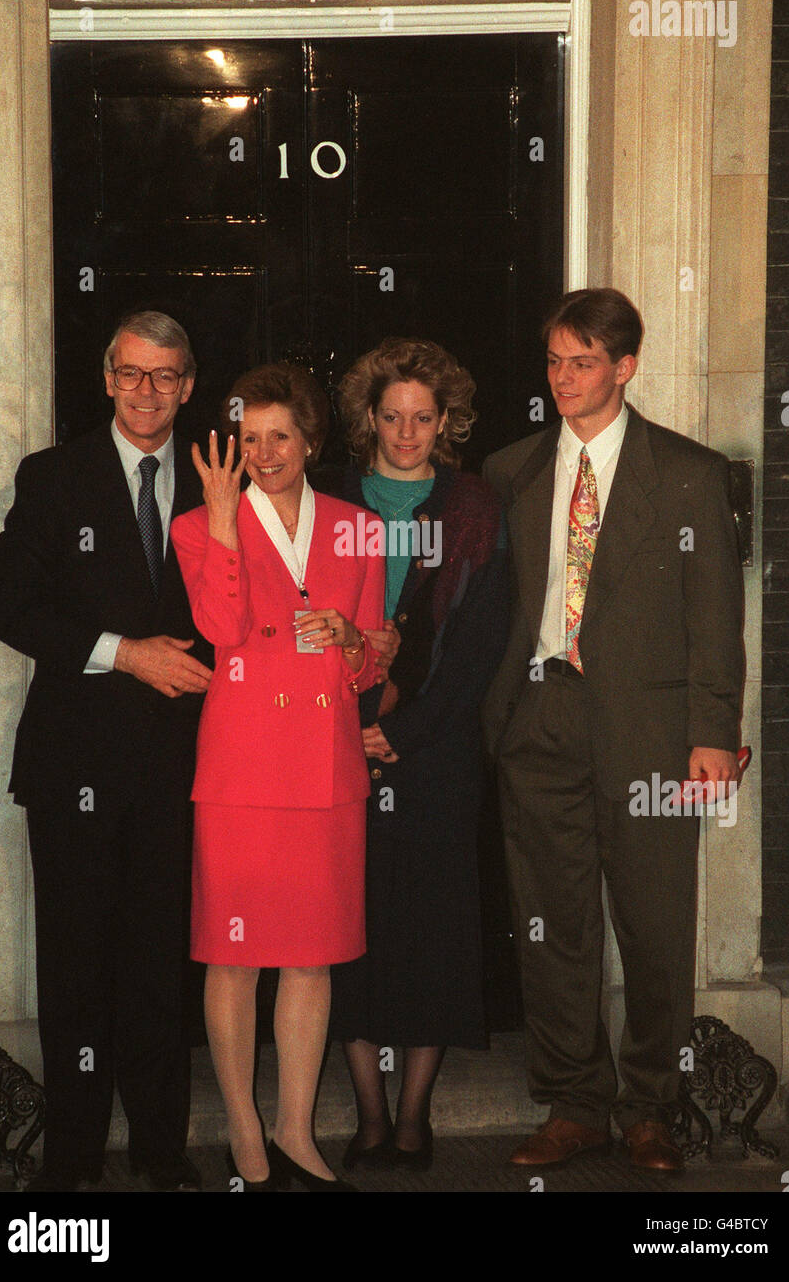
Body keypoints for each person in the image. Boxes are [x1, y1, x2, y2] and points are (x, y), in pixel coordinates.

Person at [482, 288, 745, 1172]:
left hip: (652, 731)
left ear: (625, 367)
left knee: (655, 922)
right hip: (541, 717)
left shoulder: (690, 474)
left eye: (583, 362)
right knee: (552, 924)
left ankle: (651, 1109)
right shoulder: (511, 470)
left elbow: (716, 617)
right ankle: (575, 1104)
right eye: (555, 361)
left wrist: (713, 734)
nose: (563, 378)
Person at [0, 311, 214, 1192]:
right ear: (108, 378)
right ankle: (71, 1156)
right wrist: (125, 653)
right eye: (131, 373)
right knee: (75, 968)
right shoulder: (53, 477)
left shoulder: (220, 480)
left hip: (184, 767)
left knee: (160, 966)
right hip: (74, 764)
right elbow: (11, 606)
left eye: (165, 375)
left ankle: (160, 1149)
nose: (147, 391)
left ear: (188, 385)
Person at [170, 361, 385, 1192]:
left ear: (310, 441)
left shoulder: (358, 526)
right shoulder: (198, 526)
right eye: (249, 438)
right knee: (233, 959)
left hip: (325, 769)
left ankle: (296, 1128)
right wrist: (226, 521)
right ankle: (244, 1127)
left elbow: (370, 667)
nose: (264, 453)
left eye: (280, 437)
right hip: (242, 771)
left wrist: (351, 640)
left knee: (310, 957)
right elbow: (221, 625)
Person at [321, 338, 509, 1171]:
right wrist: (355, 723)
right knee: (349, 930)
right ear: (369, 417)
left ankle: (413, 1118)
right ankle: (368, 1116)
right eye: (392, 417)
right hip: (335, 746)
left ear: (446, 422)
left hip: (436, 753)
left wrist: (405, 729)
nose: (406, 434)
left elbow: (480, 646)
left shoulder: (472, 507)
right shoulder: (329, 498)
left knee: (432, 934)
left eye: (422, 419)